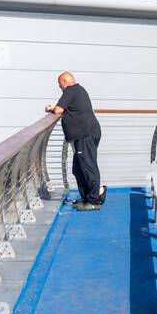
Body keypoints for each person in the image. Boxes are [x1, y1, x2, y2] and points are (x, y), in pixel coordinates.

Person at [44, 72, 104, 211]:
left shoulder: (71, 90)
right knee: (78, 169)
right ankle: (87, 197)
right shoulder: (79, 90)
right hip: (84, 135)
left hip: (85, 135)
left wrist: (51, 109)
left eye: (60, 85)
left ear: (64, 82)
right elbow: (68, 109)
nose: (60, 88)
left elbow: (59, 110)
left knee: (88, 167)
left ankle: (94, 200)